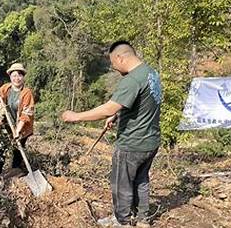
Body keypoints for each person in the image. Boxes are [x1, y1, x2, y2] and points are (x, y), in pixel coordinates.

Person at [61, 41, 162, 228]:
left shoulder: (132, 80)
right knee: (141, 180)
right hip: (151, 141)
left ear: (120, 58)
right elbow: (140, 104)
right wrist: (116, 115)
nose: (114, 68)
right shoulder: (150, 73)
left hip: (132, 143)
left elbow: (108, 107)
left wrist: (76, 116)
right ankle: (142, 219)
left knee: (121, 183)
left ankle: (122, 220)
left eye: (113, 64)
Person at [0, 62, 35, 176]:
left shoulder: (27, 92)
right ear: (10, 77)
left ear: (23, 77)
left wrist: (18, 130)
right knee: (1, 148)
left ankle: (15, 171)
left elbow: (26, 114)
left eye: (19, 75)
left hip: (22, 127)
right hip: (6, 124)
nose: (17, 78)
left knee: (18, 149)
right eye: (14, 75)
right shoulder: (5, 88)